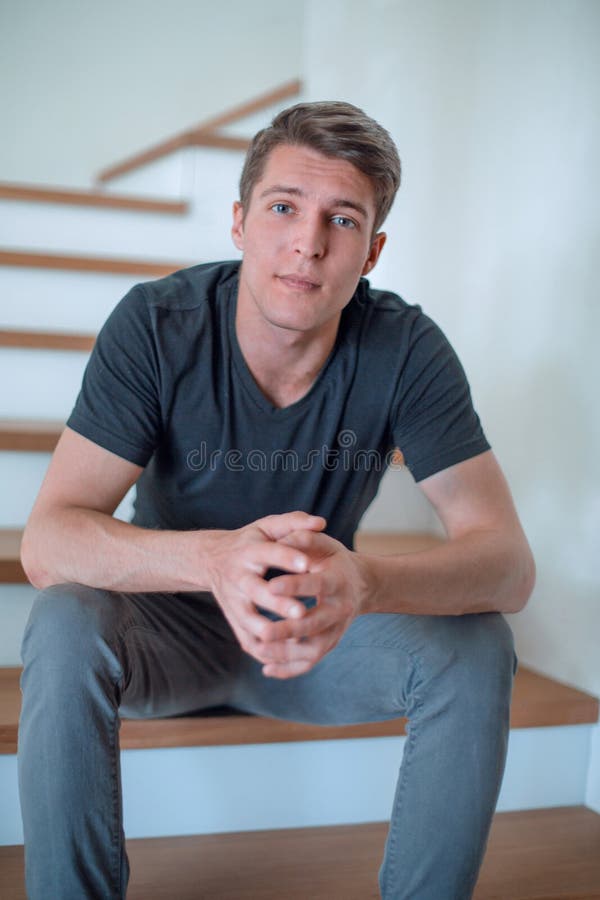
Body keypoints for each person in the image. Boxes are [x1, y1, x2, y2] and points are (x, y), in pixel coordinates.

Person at [18, 100, 535, 899]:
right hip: (168, 629)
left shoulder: (406, 347)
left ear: (373, 252)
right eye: (284, 207)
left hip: (318, 636)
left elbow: (506, 564)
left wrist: (364, 583)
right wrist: (217, 557)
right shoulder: (158, 325)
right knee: (61, 616)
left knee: (479, 647)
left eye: (344, 220)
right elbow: (47, 542)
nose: (308, 242)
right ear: (238, 223)